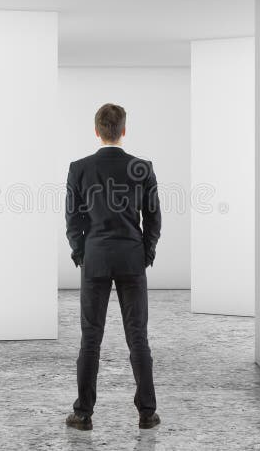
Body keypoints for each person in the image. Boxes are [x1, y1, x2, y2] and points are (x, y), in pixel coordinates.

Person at [64, 103, 162, 431]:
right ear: (123, 131)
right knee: (138, 337)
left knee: (90, 338)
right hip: (131, 259)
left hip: (95, 260)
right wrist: (145, 253)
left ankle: (83, 414)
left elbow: (73, 217)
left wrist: (81, 253)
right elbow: (153, 217)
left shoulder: (79, 168)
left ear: (96, 131)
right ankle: (147, 413)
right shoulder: (142, 167)